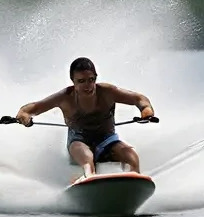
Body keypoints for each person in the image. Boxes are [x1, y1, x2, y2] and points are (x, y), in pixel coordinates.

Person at [14, 57, 155, 181]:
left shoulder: (108, 92)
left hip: (107, 139)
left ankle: (134, 180)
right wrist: (24, 116)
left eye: (91, 80)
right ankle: (90, 177)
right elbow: (29, 110)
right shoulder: (64, 97)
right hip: (78, 141)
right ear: (73, 82)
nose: (88, 86)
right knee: (86, 157)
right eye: (81, 81)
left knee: (130, 155)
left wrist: (146, 111)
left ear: (95, 77)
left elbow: (140, 99)